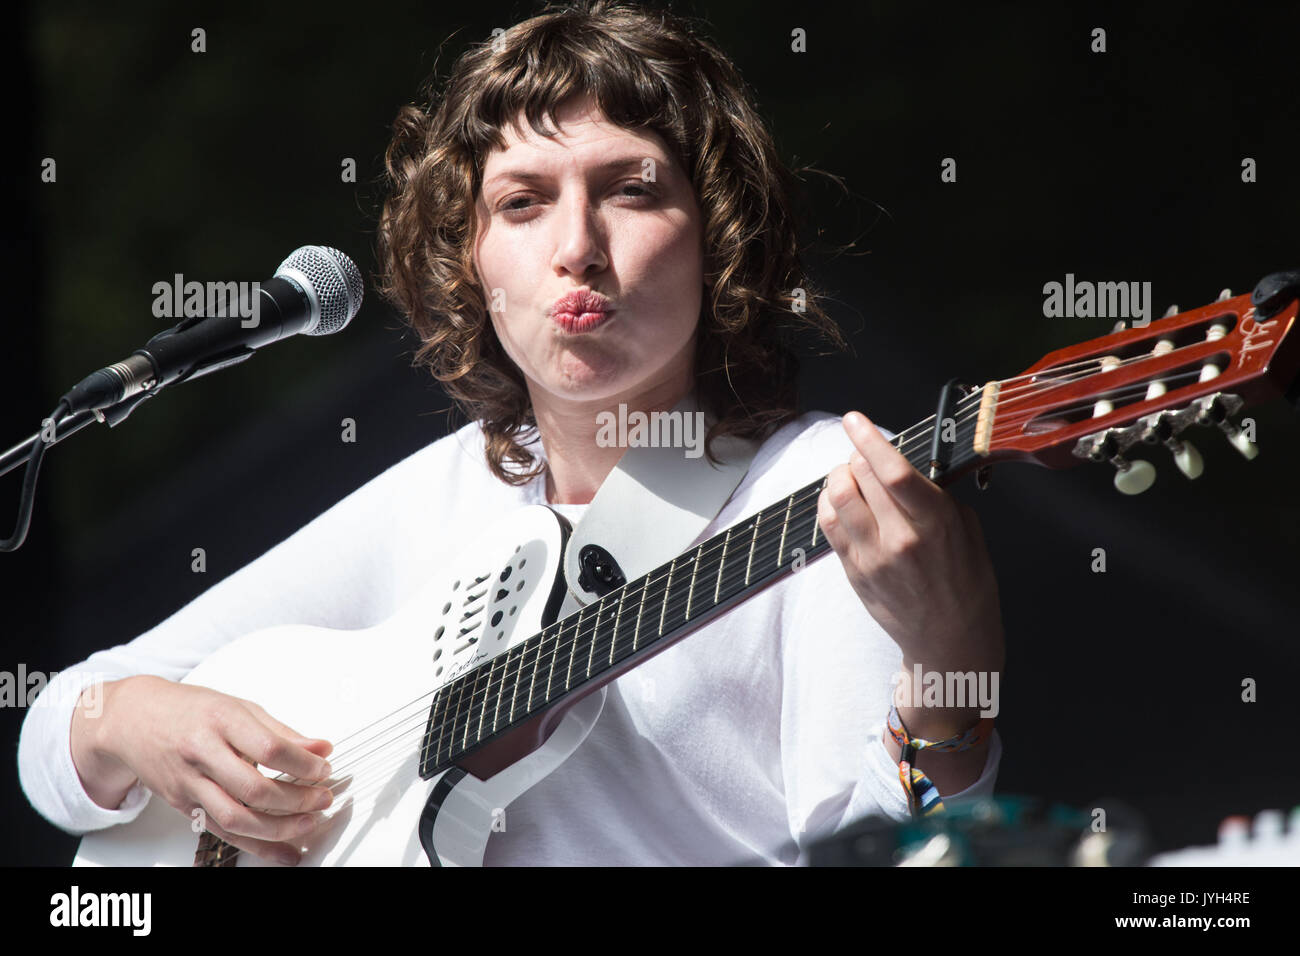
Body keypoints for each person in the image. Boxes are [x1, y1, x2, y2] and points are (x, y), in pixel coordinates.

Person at [18, 0, 1004, 866]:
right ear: (471, 261)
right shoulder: (449, 491)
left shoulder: (830, 486)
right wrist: (146, 723)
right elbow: (60, 721)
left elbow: (889, 853)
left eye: (631, 189)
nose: (577, 248)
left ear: (718, 237)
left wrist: (947, 670)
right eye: (522, 203)